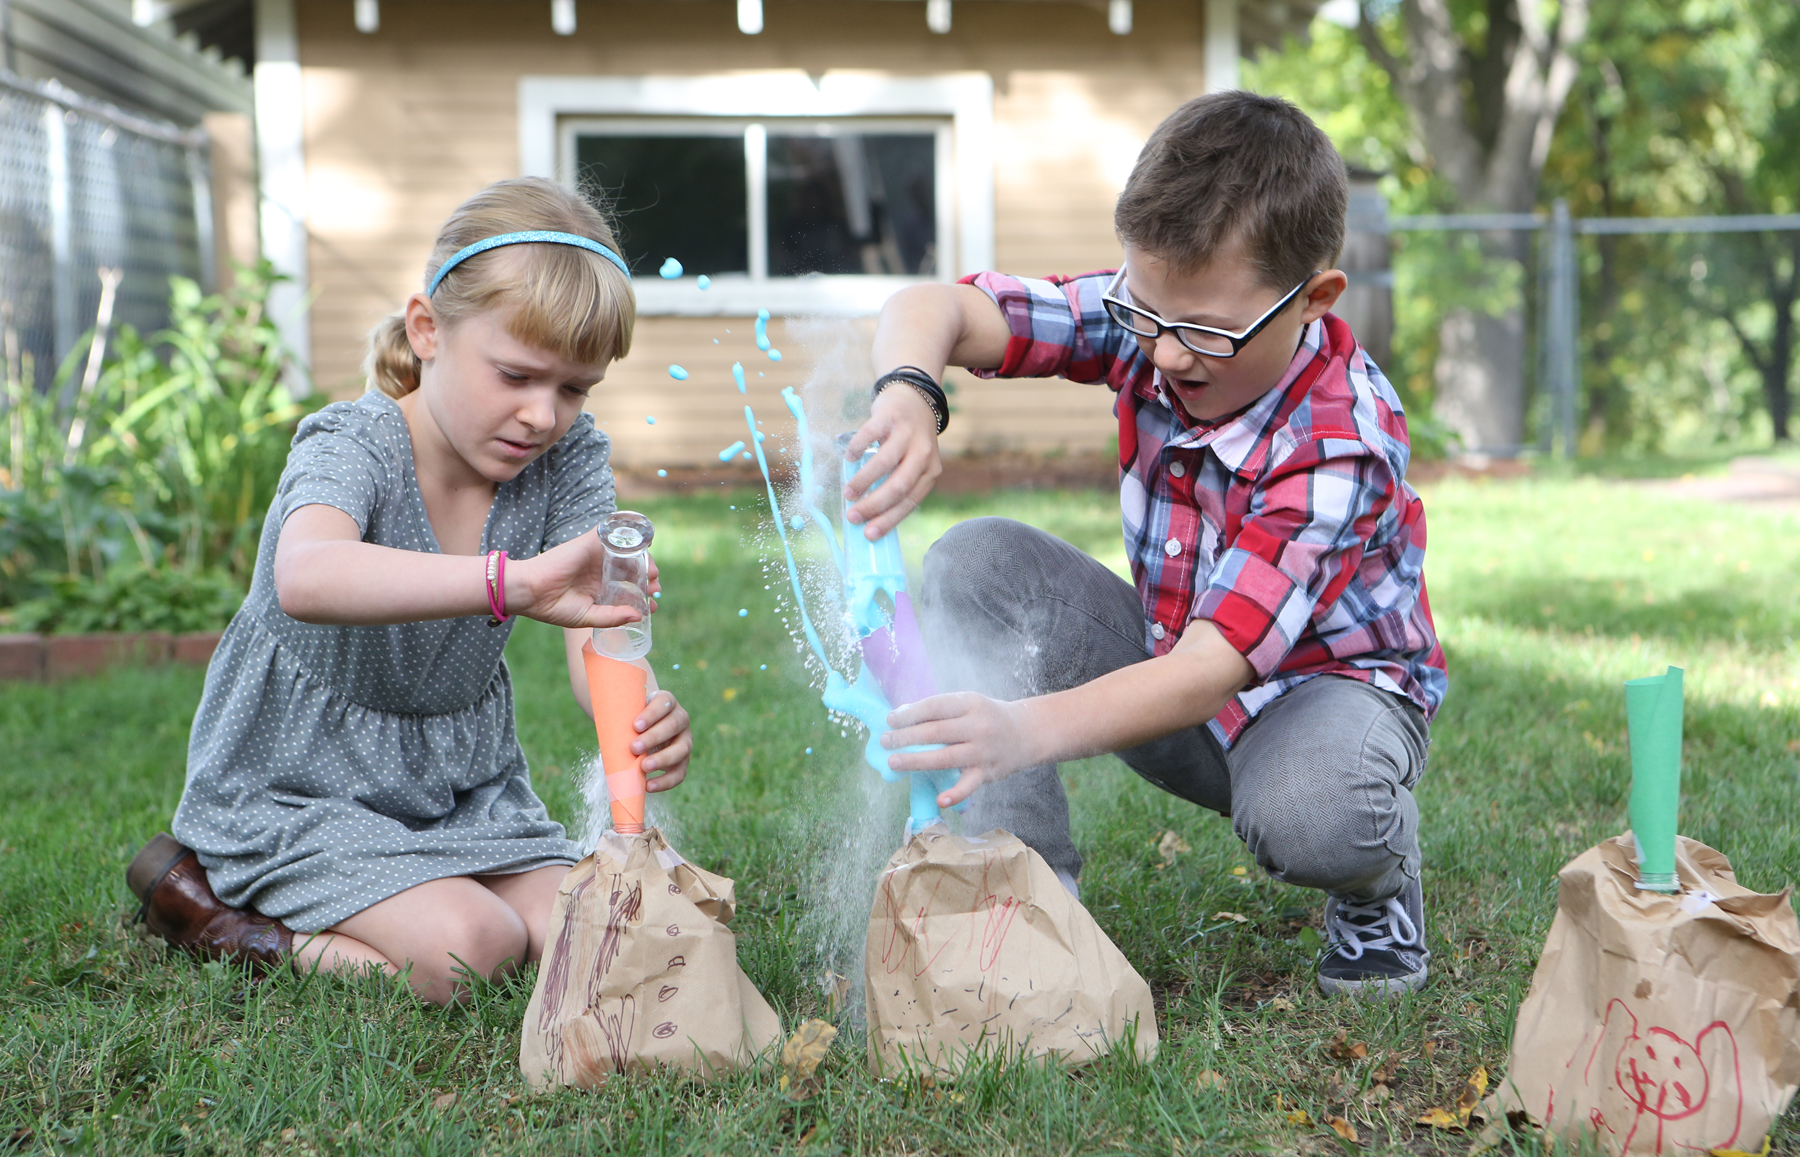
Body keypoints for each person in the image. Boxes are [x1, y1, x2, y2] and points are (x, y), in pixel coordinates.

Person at [842, 92, 1446, 997]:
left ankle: (1377, 882)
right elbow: (937, 307)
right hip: (1176, 675)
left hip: (1315, 699)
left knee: (1313, 817)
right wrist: (907, 393)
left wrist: (1020, 728)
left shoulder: (1340, 439)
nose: (1165, 355)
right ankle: (1025, 896)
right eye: (1144, 314)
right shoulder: (1158, 320)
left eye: (1204, 331)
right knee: (976, 561)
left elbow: (1215, 664)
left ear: (1313, 300)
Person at [126, 178, 692, 1005]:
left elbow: (597, 632)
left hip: (459, 786)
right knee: (473, 947)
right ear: (427, 329)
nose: (543, 415)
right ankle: (231, 927)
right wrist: (513, 581)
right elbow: (308, 575)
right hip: (300, 784)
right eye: (516, 375)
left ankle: (418, 893)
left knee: (594, 918)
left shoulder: (568, 461)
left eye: (574, 388)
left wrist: (639, 715)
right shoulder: (356, 441)